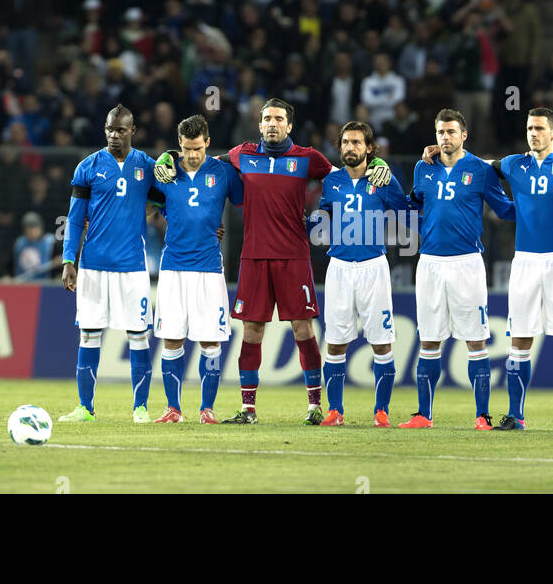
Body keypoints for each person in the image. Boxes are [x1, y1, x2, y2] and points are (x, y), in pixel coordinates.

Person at [153, 98, 391, 424]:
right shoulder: (241, 154)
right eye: (267, 118)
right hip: (253, 256)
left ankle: (314, 406)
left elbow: (348, 174)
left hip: (294, 256)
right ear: (260, 123)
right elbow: (202, 162)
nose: (272, 123)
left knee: (303, 329)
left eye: (279, 118)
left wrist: (379, 165)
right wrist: (169, 155)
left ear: (289, 125)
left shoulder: (308, 158)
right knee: (251, 331)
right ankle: (248, 409)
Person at [399, 109, 514, 429]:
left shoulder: (480, 170)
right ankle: (424, 414)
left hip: (467, 265)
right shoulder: (424, 167)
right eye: (440, 133)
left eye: (451, 132)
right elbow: (415, 203)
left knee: (476, 341)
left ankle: (482, 415)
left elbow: (504, 209)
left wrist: (540, 209)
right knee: (429, 340)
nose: (445, 138)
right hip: (430, 263)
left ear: (464, 135)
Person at [58, 105, 157, 423]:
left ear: (133, 131)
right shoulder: (88, 167)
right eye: (110, 129)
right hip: (93, 265)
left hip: (132, 267)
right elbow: (74, 220)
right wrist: (69, 259)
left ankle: (140, 408)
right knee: (89, 335)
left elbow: (171, 201)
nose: (114, 135)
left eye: (120, 130)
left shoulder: (147, 166)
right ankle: (85, 408)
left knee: (138, 336)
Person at [312, 121, 409, 427]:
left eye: (356, 142)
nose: (350, 147)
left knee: (381, 343)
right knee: (336, 343)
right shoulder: (332, 181)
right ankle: (335, 411)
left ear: (369, 148)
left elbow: (407, 211)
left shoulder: (383, 179)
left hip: (373, 267)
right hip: (339, 267)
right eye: (345, 142)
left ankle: (381, 412)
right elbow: (322, 214)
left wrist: (387, 171)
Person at [149, 115, 242, 424]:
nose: (192, 155)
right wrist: (163, 160)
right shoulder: (165, 172)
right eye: (187, 149)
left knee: (210, 341)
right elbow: (147, 201)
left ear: (208, 143)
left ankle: (207, 409)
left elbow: (247, 198)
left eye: (198, 148)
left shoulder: (223, 172)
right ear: (179, 145)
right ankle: (173, 409)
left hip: (209, 269)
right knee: (172, 339)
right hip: (173, 267)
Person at [12, 211, 55, 281]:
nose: (32, 232)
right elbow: (12, 265)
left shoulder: (50, 241)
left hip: (44, 283)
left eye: (35, 228)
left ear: (41, 228)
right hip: (22, 283)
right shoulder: (19, 243)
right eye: (29, 228)